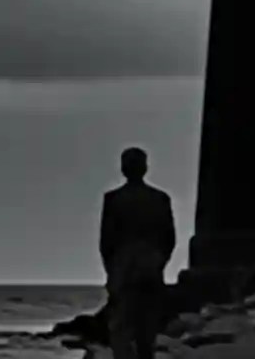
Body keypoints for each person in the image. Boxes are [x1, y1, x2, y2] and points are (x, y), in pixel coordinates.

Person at [99, 147, 175, 359]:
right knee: (147, 332)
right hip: (150, 269)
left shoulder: (113, 199)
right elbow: (169, 238)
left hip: (124, 270)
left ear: (123, 168)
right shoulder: (160, 199)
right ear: (145, 167)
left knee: (122, 330)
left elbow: (106, 242)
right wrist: (158, 262)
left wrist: (112, 272)